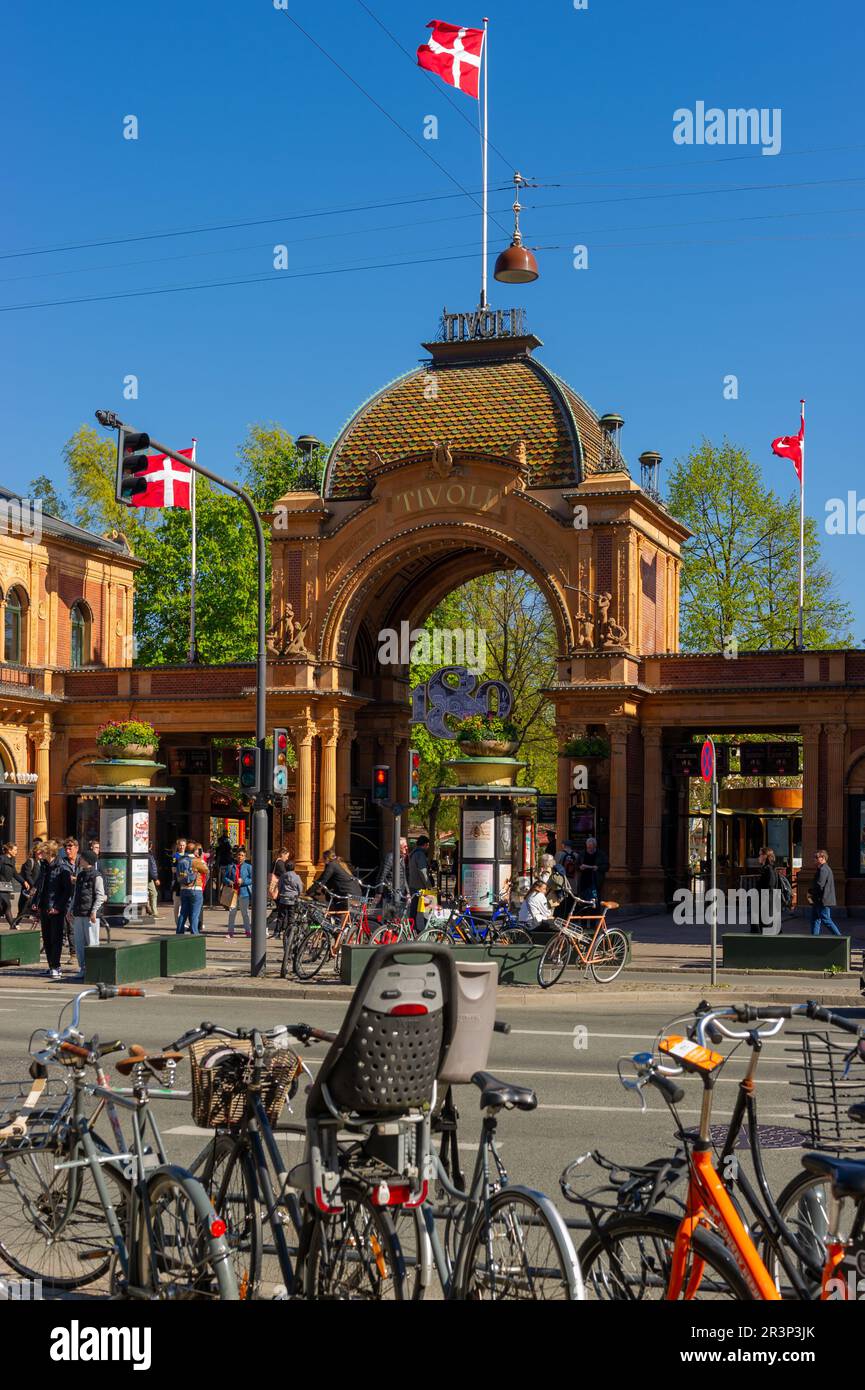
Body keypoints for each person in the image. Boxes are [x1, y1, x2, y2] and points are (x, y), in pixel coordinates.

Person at [35, 840, 74, 979]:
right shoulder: (45, 866)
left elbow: (67, 891)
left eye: (42, 851)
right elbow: (41, 887)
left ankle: (56, 966)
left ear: (49, 852)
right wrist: (36, 902)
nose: (39, 853)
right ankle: (51, 965)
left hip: (56, 908)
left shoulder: (62, 868)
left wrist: (58, 907)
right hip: (45, 906)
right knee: (46, 938)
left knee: (56, 937)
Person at [70, 849, 106, 979]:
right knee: (79, 943)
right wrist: (70, 910)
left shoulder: (97, 876)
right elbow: (75, 895)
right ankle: (83, 968)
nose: (80, 859)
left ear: (88, 860)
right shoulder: (80, 875)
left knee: (92, 942)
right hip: (79, 913)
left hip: (90, 915)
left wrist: (94, 911)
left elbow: (100, 896)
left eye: (82, 858)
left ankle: (94, 968)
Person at [175, 844, 208, 936]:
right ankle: (194, 932)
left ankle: (179, 931)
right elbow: (206, 870)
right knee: (195, 913)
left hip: (183, 889)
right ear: (195, 851)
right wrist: (201, 859)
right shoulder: (196, 861)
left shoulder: (180, 860)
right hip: (195, 889)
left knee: (183, 913)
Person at [809, 850, 841, 937]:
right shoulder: (822, 869)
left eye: (816, 857)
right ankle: (814, 940)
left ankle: (840, 938)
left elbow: (820, 885)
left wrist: (811, 892)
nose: (814, 859)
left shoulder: (823, 869)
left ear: (823, 858)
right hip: (818, 900)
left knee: (826, 920)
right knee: (815, 919)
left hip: (822, 900)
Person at [223, 847, 253, 938]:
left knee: (245, 913)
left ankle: (248, 931)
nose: (240, 857)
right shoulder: (231, 866)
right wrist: (229, 882)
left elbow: (252, 879)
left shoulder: (248, 867)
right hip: (233, 892)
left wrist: (243, 881)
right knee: (232, 912)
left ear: (245, 857)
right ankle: (230, 932)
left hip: (244, 893)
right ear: (236, 856)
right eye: (239, 855)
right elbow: (225, 878)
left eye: (242, 855)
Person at [752, 847, 780, 935]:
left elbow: (770, 887)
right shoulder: (766, 868)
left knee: (766, 929)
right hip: (764, 904)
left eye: (760, 854)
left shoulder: (769, 870)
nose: (758, 857)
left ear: (765, 856)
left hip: (766, 905)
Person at [276, 858, 304, 941]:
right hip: (292, 899)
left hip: (283, 899)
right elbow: (300, 887)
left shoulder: (282, 876)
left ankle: (277, 932)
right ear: (294, 867)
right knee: (291, 917)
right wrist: (298, 894)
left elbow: (279, 886)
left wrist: (281, 894)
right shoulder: (297, 877)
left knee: (281, 916)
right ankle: (289, 932)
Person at [14, 842, 41, 924]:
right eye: (39, 851)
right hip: (28, 890)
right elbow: (27, 875)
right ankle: (15, 925)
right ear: (35, 851)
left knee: (35, 910)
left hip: (36, 891)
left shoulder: (41, 863)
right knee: (22, 910)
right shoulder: (30, 861)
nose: (41, 853)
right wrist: (34, 886)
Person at [576, 837, 608, 906]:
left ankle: (595, 914)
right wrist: (580, 867)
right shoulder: (582, 854)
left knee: (595, 900)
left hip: (595, 880)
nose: (590, 849)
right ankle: (584, 914)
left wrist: (598, 868)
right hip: (583, 881)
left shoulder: (601, 854)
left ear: (595, 846)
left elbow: (606, 866)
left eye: (591, 848)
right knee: (583, 900)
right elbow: (576, 865)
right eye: (588, 848)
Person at [407, 835, 431, 930]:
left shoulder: (413, 853)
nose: (428, 847)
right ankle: (426, 930)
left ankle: (412, 928)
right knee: (426, 909)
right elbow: (422, 871)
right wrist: (428, 885)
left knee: (414, 909)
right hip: (420, 886)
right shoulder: (420, 854)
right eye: (428, 845)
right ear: (425, 844)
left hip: (413, 884)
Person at [0, 843, 23, 930]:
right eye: (15, 850)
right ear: (9, 850)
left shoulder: (12, 860)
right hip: (1, 887)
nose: (16, 852)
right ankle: (13, 926)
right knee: (7, 906)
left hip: (6, 887)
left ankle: (12, 926)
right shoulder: (1, 859)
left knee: (5, 907)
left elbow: (15, 874)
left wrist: (23, 882)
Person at [171, 838, 188, 925]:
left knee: (184, 903)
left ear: (186, 846)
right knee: (177, 903)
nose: (181, 847)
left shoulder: (188, 855)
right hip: (177, 882)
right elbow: (173, 869)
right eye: (180, 845)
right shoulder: (175, 856)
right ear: (178, 846)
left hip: (186, 882)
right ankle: (178, 922)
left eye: (183, 845)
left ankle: (183, 922)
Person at [147, 843, 160, 918]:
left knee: (150, 893)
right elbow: (151, 868)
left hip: (147, 877)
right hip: (148, 878)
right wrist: (155, 878)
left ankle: (149, 908)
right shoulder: (149, 855)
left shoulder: (150, 854)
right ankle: (154, 912)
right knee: (153, 893)